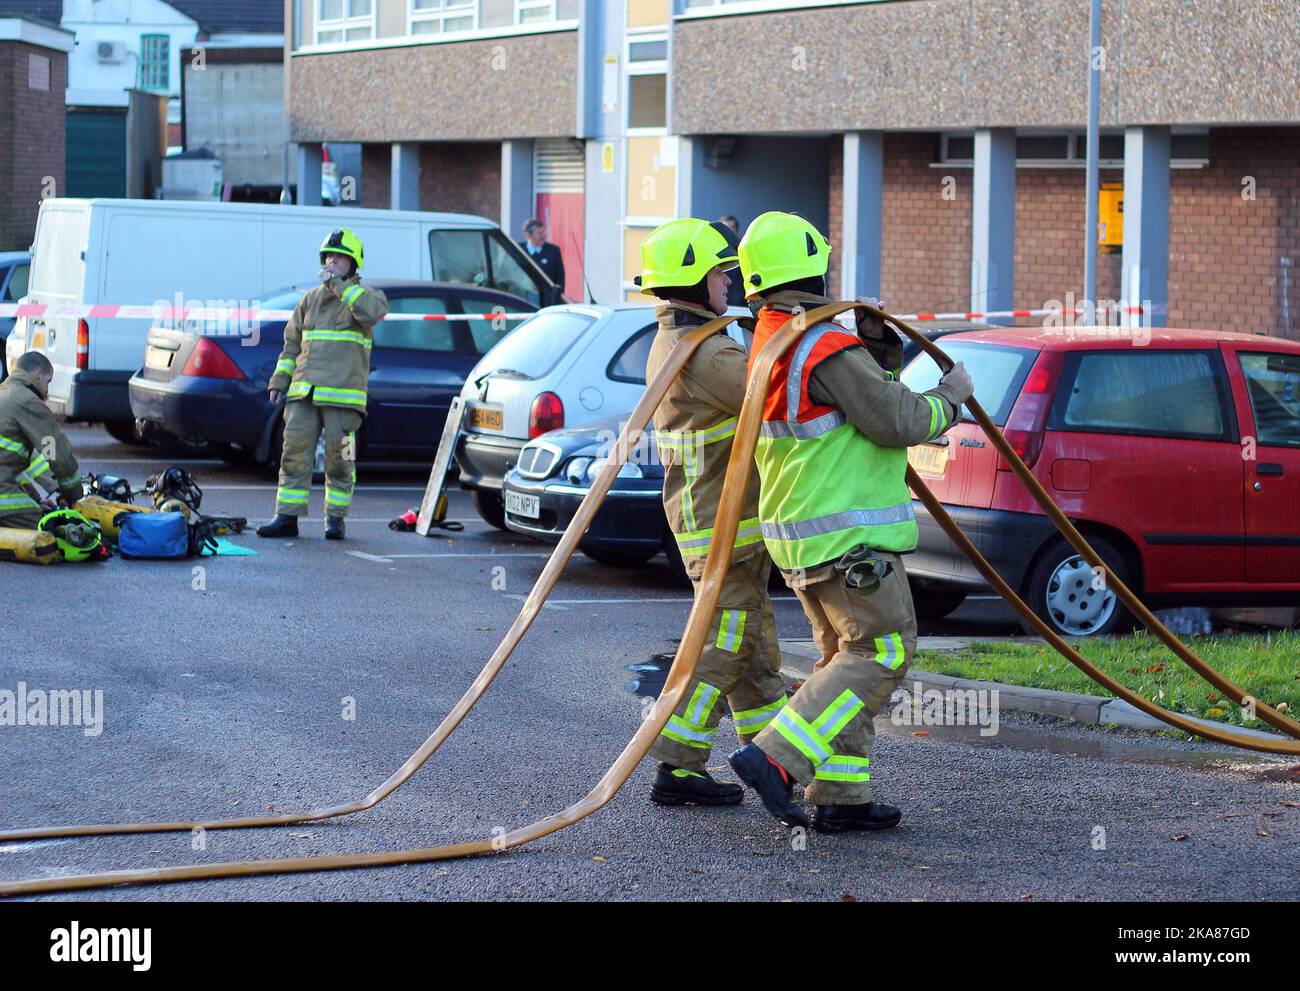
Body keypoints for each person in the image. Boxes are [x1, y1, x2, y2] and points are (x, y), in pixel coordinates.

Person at [727, 211, 974, 833]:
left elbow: (856, 404)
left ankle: (840, 795)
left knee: (843, 655)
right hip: (848, 539)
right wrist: (953, 397)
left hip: (802, 537)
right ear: (815, 264)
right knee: (882, 650)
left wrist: (879, 347)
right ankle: (775, 760)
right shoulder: (825, 345)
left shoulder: (776, 339)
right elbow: (897, 420)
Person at [635, 218, 788, 807]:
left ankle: (770, 759)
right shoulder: (706, 351)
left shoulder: (682, 340)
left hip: (719, 522)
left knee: (754, 652)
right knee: (723, 645)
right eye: (723, 273)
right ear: (698, 280)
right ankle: (677, 765)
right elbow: (773, 391)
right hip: (726, 527)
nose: (730, 282)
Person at [257, 228, 388, 541]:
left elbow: (373, 313)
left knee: (339, 460)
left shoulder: (365, 297)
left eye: (338, 258)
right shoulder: (309, 300)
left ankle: (335, 519)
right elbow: (291, 345)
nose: (330, 263)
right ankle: (286, 517)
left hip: (342, 398)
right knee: (294, 454)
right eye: (328, 257)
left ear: (353, 264)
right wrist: (280, 380)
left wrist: (341, 286)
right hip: (304, 392)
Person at [0, 351, 83, 529]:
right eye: (48, 381)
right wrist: (73, 496)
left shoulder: (4, 393)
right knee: (55, 527)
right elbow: (57, 456)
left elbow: (7, 467)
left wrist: (35, 500)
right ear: (38, 375)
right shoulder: (28, 402)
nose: (47, 390)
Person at [519, 218, 566, 293]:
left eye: (544, 232)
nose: (543, 236)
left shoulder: (553, 251)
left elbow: (560, 279)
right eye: (539, 233)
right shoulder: (519, 250)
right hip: (523, 298)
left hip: (547, 299)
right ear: (528, 235)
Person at [718, 216, 746, 308]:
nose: (727, 232)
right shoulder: (712, 252)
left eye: (731, 228)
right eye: (724, 229)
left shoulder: (744, 251)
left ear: (736, 230)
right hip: (719, 304)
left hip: (740, 306)